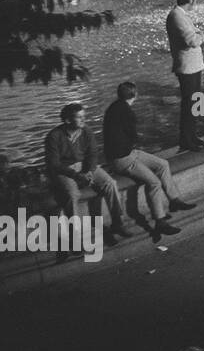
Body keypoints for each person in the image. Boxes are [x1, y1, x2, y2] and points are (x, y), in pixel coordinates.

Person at [102, 82, 190, 239]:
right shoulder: (127, 112)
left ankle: (174, 199)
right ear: (135, 95)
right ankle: (160, 221)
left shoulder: (114, 107)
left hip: (127, 153)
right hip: (123, 159)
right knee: (154, 182)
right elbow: (133, 135)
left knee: (163, 164)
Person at [45, 103, 133, 246]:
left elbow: (93, 154)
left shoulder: (86, 131)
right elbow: (54, 164)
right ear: (67, 120)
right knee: (72, 195)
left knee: (110, 183)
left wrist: (89, 171)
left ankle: (118, 223)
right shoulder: (54, 136)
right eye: (79, 117)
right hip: (64, 170)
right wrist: (75, 175)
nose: (84, 120)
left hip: (85, 167)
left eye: (84, 116)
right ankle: (75, 239)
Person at [165, 0, 204, 152]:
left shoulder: (181, 15)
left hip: (194, 66)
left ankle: (194, 134)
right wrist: (201, 35)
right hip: (187, 67)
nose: (196, 4)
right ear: (190, 1)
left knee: (197, 100)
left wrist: (198, 33)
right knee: (190, 103)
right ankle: (186, 139)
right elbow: (193, 40)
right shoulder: (177, 16)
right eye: (195, 1)